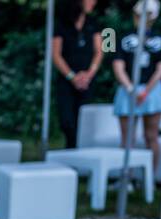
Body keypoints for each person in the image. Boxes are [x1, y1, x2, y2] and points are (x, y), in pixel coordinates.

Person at [112, 0, 161, 173]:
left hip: (152, 91)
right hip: (128, 91)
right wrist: (131, 89)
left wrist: (146, 91)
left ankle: (149, 178)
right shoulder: (123, 38)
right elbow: (118, 66)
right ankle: (126, 178)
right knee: (127, 139)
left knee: (151, 136)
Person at [52, 0, 105, 149]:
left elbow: (100, 51)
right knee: (67, 121)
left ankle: (80, 155)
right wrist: (72, 77)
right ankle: (71, 150)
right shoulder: (61, 24)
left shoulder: (94, 23)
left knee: (83, 120)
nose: (93, 3)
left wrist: (89, 74)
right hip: (66, 80)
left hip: (87, 80)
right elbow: (56, 54)